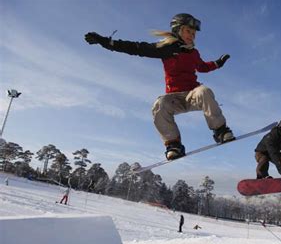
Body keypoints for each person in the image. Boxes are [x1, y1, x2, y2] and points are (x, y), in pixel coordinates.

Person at [84, 13, 234, 160]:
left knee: (204, 91)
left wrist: (217, 63)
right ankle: (174, 145)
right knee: (159, 104)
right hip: (174, 98)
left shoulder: (193, 53)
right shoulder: (166, 48)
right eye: (189, 31)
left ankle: (220, 131)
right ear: (178, 30)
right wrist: (106, 42)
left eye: (194, 33)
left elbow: (202, 67)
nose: (192, 36)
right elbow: (136, 48)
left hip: (192, 95)